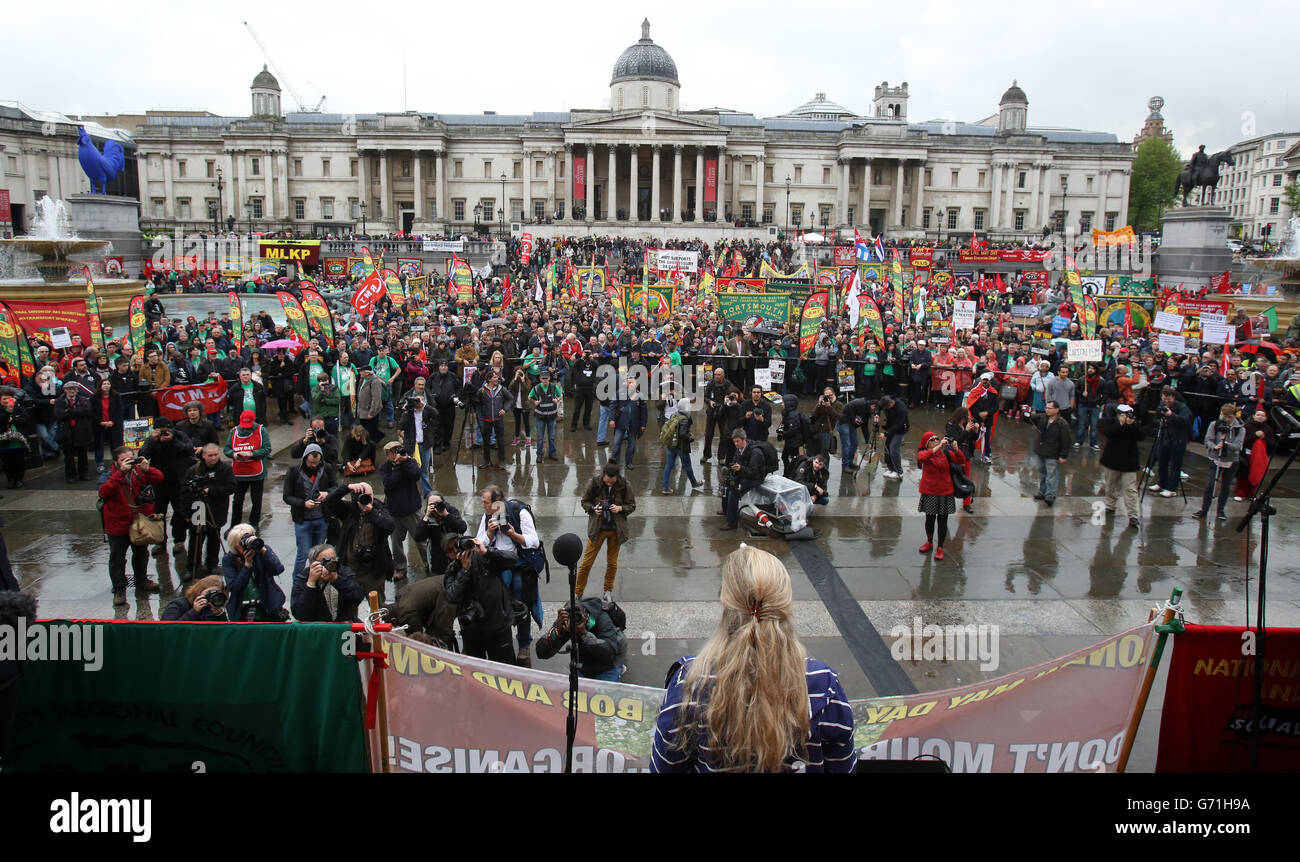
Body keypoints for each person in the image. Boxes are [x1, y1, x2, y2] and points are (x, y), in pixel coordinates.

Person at [651, 546, 855, 773]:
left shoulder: (690, 683)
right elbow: (842, 766)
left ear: (724, 603)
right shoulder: (823, 685)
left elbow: (665, 767)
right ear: (785, 604)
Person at [474, 484, 541, 666]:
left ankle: (524, 644)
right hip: (498, 564)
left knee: (522, 602)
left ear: (498, 502)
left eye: (486, 503)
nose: (484, 506)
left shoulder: (519, 512)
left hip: (520, 565)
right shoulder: (487, 515)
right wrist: (489, 532)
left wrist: (512, 534)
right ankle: (500, 640)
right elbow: (479, 543)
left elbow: (533, 541)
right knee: (496, 603)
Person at [98, 446, 164, 606]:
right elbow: (104, 492)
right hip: (117, 524)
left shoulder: (139, 471)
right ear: (116, 462)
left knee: (141, 553)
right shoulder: (108, 476)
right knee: (117, 559)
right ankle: (119, 590)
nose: (129, 462)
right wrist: (121, 473)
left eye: (131, 458)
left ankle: (141, 581)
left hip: (139, 522)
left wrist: (148, 469)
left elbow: (159, 478)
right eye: (124, 460)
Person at [441, 534, 516, 663]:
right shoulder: (453, 570)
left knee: (505, 672)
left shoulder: (485, 558)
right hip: (472, 631)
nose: (455, 552)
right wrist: (464, 570)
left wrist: (487, 552)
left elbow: (512, 559)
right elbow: (452, 596)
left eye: (456, 547)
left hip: (498, 626)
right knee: (475, 672)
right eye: (450, 551)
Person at [324, 481, 395, 601]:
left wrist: (370, 512)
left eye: (369, 495)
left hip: (373, 572)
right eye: (362, 495)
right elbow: (329, 502)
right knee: (348, 609)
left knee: (378, 608)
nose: (367, 498)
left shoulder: (380, 510)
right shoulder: (349, 510)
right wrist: (346, 487)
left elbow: (389, 526)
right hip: (350, 570)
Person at [577, 461, 636, 601]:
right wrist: (593, 509)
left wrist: (620, 508)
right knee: (586, 563)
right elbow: (584, 501)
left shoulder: (624, 485)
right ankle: (578, 592)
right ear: (603, 475)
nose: (609, 484)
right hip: (598, 529)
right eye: (607, 482)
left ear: (617, 477)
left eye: (612, 482)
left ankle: (607, 591)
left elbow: (632, 505)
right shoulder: (594, 483)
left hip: (616, 530)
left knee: (612, 563)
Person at [138, 417, 194, 561]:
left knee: (180, 512)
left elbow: (189, 450)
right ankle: (160, 542)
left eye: (166, 431)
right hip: (159, 483)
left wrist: (173, 441)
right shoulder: (152, 439)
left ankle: (179, 541)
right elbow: (142, 455)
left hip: (178, 482)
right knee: (158, 513)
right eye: (161, 431)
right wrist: (152, 441)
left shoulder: (180, 436)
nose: (164, 434)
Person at [534, 599, 627, 682]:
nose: (575, 619)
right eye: (571, 616)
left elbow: (609, 653)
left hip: (611, 661)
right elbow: (541, 652)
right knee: (582, 692)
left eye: (578, 615)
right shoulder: (566, 621)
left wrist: (584, 634)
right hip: (585, 662)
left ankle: (619, 668)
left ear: (586, 613)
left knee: (603, 693)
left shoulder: (603, 619)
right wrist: (557, 633)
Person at [180, 443, 237, 579]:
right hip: (198, 508)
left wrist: (211, 491)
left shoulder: (225, 469)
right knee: (195, 538)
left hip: (216, 509)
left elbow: (232, 487)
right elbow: (184, 492)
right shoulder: (194, 470)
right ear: (204, 455)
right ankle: (192, 566)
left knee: (214, 538)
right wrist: (186, 513)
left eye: (216, 455)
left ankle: (212, 565)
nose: (213, 458)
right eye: (210, 455)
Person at [283, 442, 336, 580]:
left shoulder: (327, 468)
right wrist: (303, 503)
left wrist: (327, 494)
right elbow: (287, 496)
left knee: (319, 554)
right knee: (303, 554)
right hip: (302, 519)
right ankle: (298, 581)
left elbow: (334, 487)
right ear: (305, 458)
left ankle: (317, 578)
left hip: (321, 517)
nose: (313, 465)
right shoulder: (293, 471)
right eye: (311, 462)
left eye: (316, 463)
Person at [379, 441, 428, 583]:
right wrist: (397, 467)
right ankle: (400, 567)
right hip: (394, 512)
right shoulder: (385, 468)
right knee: (396, 543)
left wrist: (404, 462)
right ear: (387, 455)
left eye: (397, 451)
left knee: (421, 541)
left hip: (412, 510)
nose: (396, 455)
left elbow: (416, 475)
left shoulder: (410, 462)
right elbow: (389, 484)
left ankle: (428, 563)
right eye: (392, 452)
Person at [220, 523, 288, 621]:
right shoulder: (229, 559)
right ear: (234, 545)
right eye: (242, 543)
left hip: (268, 605)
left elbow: (278, 569)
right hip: (241, 607)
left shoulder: (262, 551)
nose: (248, 546)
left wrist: (264, 551)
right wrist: (247, 566)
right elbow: (235, 588)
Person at [916, 430, 966, 561]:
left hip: (945, 492)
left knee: (943, 522)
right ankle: (929, 541)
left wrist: (956, 450)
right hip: (930, 492)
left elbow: (962, 461)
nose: (936, 441)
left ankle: (940, 547)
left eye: (937, 439)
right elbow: (922, 458)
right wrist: (938, 447)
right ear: (926, 444)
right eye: (932, 440)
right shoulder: (925, 453)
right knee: (930, 519)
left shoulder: (945, 453)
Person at [1194, 403, 1245, 522]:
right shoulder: (1215, 424)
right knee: (1210, 484)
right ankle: (1204, 509)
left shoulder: (1240, 429)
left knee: (1226, 486)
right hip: (1215, 458)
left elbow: (1238, 446)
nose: (1227, 420)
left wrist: (1226, 445)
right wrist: (1214, 446)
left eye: (1230, 417)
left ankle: (1220, 510)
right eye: (1225, 416)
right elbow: (1208, 439)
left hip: (1231, 460)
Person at [291, 544, 366, 623]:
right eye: (324, 561)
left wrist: (337, 580)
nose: (329, 564)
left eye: (333, 560)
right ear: (312, 563)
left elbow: (358, 597)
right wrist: (311, 584)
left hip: (343, 627)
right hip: (317, 629)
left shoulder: (344, 573)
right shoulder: (303, 579)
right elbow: (300, 615)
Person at [1099, 404, 1144, 529]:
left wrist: (1131, 425)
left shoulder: (1134, 424)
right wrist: (1120, 424)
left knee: (1130, 490)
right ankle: (1110, 505)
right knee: (1110, 486)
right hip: (1112, 461)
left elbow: (1141, 436)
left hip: (1129, 463)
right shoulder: (1110, 422)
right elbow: (1109, 432)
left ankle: (1133, 515)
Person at [224, 410, 271, 525]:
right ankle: (234, 525)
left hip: (256, 473)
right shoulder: (234, 431)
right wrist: (234, 454)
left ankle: (254, 524)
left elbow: (267, 449)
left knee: (256, 500)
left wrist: (252, 454)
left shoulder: (261, 431)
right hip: (239, 473)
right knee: (237, 501)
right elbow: (227, 449)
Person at [410, 491, 469, 577]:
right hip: (438, 559)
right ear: (427, 506)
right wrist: (426, 517)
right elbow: (418, 537)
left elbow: (462, 528)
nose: (435, 506)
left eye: (437, 503)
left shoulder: (450, 511)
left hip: (455, 555)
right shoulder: (427, 517)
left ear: (443, 502)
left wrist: (446, 515)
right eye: (431, 504)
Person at [1149, 387, 1192, 498]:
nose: (1166, 401)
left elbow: (1185, 420)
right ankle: (1161, 482)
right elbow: (1155, 419)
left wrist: (1171, 415)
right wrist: (1160, 419)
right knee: (1162, 461)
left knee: (1175, 465)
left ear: (1173, 397)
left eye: (1168, 399)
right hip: (1164, 437)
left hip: (1178, 439)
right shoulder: (1162, 405)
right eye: (1164, 399)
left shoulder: (1182, 407)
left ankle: (1172, 488)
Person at [721, 429, 767, 531]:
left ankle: (732, 522)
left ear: (744, 440)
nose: (736, 444)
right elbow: (736, 462)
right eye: (734, 442)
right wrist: (733, 469)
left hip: (756, 478)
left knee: (734, 492)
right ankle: (726, 511)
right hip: (743, 474)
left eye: (737, 441)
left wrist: (740, 468)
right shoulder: (739, 449)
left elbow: (754, 473)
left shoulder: (755, 452)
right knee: (726, 485)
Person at [1027, 400, 1071, 507]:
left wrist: (1063, 455)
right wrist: (1026, 413)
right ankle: (1042, 492)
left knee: (1051, 475)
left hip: (1052, 453)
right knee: (1042, 472)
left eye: (1049, 408)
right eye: (1046, 408)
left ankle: (1050, 495)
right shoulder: (1042, 418)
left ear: (1056, 410)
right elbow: (1031, 418)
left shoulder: (1062, 423)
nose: (1047, 410)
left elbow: (1066, 440)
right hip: (1040, 450)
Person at [395, 390, 437, 496]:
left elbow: (436, 414)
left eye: (420, 401)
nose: (418, 403)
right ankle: (410, 492)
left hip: (425, 445)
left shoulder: (427, 411)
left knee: (424, 471)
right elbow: (401, 426)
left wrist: (424, 406)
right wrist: (406, 411)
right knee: (410, 470)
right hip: (412, 446)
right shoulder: (409, 413)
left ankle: (427, 492)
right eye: (417, 401)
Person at [661, 397, 702, 494]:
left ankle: (665, 487)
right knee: (687, 465)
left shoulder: (675, 414)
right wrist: (691, 438)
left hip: (671, 445)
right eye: (688, 405)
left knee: (669, 465)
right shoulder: (684, 418)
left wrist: (687, 432)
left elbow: (678, 430)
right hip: (681, 447)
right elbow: (683, 434)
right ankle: (694, 483)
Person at [54, 381, 92, 483]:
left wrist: (69, 411)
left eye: (74, 389)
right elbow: (60, 415)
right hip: (67, 432)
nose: (72, 391)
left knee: (83, 455)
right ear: (65, 390)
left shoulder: (83, 400)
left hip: (81, 431)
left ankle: (83, 474)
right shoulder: (59, 401)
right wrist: (76, 411)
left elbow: (86, 411)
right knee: (69, 456)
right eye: (70, 389)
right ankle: (70, 475)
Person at [1234, 407, 1275, 500]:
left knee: (1256, 474)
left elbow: (1272, 443)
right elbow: (1243, 441)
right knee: (1243, 475)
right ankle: (1240, 493)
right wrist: (1254, 436)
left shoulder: (1267, 429)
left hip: (1260, 456)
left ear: (1265, 418)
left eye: (1262, 416)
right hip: (1246, 454)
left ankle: (1251, 493)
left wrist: (1264, 437)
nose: (1260, 417)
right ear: (1253, 416)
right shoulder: (1247, 426)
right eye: (1258, 415)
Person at [610, 375, 648, 470]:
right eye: (628, 382)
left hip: (634, 424)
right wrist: (611, 419)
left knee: (631, 445)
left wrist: (643, 424)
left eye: (632, 382)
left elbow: (644, 411)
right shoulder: (619, 392)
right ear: (626, 383)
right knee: (616, 443)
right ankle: (614, 463)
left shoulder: (640, 395)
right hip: (620, 423)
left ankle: (629, 462)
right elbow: (612, 406)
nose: (630, 384)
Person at [528, 368, 563, 461]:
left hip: (552, 416)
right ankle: (539, 454)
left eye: (546, 378)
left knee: (551, 437)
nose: (545, 380)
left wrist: (557, 399)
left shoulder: (553, 387)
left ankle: (552, 453)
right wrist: (534, 402)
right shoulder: (536, 388)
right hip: (540, 416)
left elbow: (560, 394)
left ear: (549, 378)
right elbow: (529, 397)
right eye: (543, 378)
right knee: (540, 437)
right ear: (540, 379)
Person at [476, 368, 509, 469]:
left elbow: (510, 398)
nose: (497, 379)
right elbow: (477, 402)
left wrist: (505, 409)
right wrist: (479, 412)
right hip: (486, 420)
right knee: (486, 442)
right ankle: (486, 461)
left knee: (500, 441)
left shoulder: (501, 389)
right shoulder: (481, 391)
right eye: (495, 377)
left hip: (498, 419)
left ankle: (502, 461)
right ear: (489, 379)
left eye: (497, 377)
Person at [161, 575, 231, 622]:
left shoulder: (213, 610)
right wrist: (194, 612)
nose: (212, 596)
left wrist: (219, 615)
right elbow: (169, 630)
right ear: (199, 591)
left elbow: (223, 634)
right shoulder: (178, 605)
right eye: (209, 592)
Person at [0, 395, 32, 489]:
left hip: (19, 441)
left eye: (9, 398)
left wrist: (12, 419)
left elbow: (26, 419)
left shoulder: (19, 408)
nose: (7, 401)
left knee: (19, 461)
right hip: (4, 442)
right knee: (7, 463)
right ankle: (11, 479)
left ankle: (19, 479)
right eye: (4, 399)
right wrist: (8, 413)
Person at [700, 367, 730, 465]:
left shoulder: (728, 384)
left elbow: (734, 395)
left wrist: (727, 401)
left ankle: (721, 457)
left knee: (724, 435)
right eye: (715, 374)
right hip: (712, 411)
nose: (716, 376)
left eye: (719, 375)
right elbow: (705, 396)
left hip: (724, 411)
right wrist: (710, 401)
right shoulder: (711, 383)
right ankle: (706, 455)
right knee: (708, 434)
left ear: (723, 375)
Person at [877, 394, 909, 479]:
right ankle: (891, 468)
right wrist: (877, 414)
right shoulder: (886, 399)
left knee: (894, 448)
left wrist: (886, 434)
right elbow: (878, 406)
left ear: (891, 404)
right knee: (887, 447)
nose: (885, 410)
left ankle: (899, 471)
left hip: (900, 429)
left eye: (887, 408)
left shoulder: (901, 409)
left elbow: (898, 425)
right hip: (890, 427)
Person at [777, 393, 810, 473]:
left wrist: (783, 434)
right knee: (786, 457)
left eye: (783, 402)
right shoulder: (790, 413)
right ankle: (789, 471)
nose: (782, 404)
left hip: (794, 443)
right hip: (792, 442)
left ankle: (790, 472)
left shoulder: (792, 415)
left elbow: (793, 430)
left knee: (792, 459)